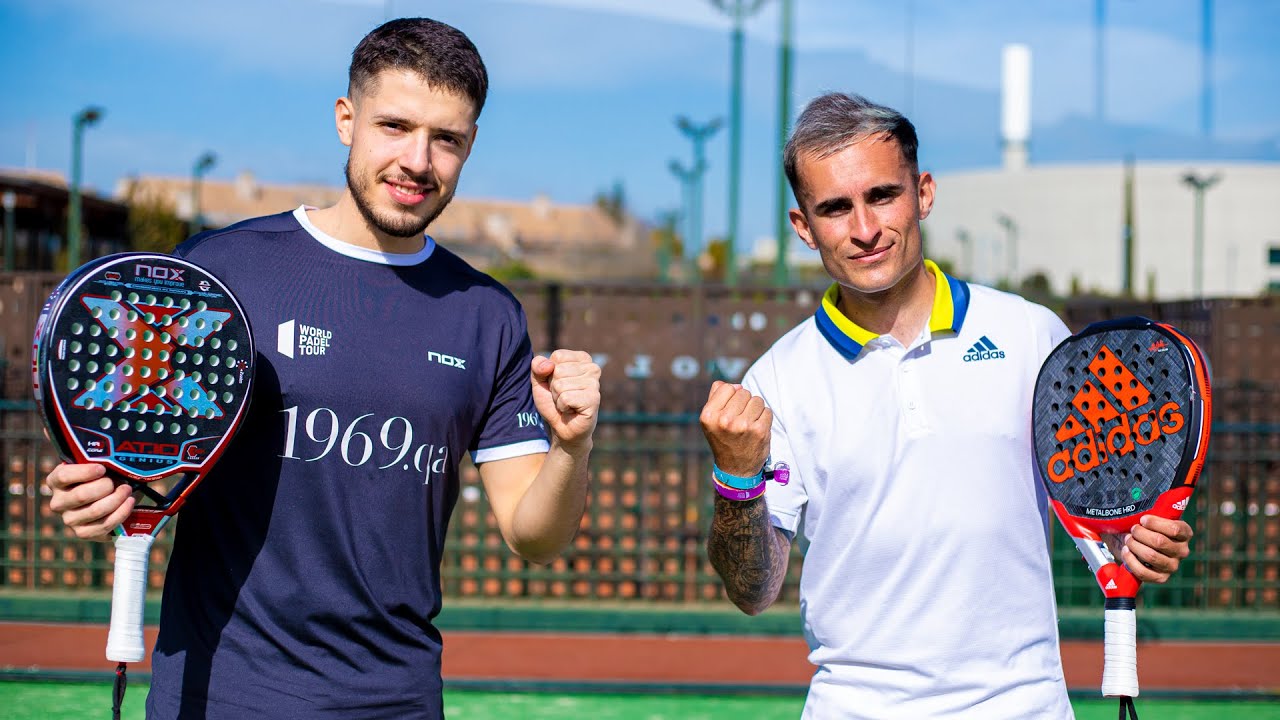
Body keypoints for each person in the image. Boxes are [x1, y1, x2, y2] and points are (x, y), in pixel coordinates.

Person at [44, 18, 600, 719]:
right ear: (347, 120)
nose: (417, 161)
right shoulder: (221, 271)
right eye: (394, 126)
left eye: (446, 138)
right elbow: (146, 461)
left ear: (470, 146)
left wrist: (573, 448)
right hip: (221, 698)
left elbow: (535, 535)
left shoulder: (487, 315)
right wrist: (103, 494)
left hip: (397, 702)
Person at [699, 92, 1193, 718]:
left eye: (882, 195)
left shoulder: (1031, 334)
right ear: (803, 227)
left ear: (923, 193)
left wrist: (1137, 542)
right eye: (834, 208)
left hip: (1024, 705)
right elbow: (752, 590)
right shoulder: (776, 379)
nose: (865, 229)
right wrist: (735, 478)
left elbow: (1104, 516)